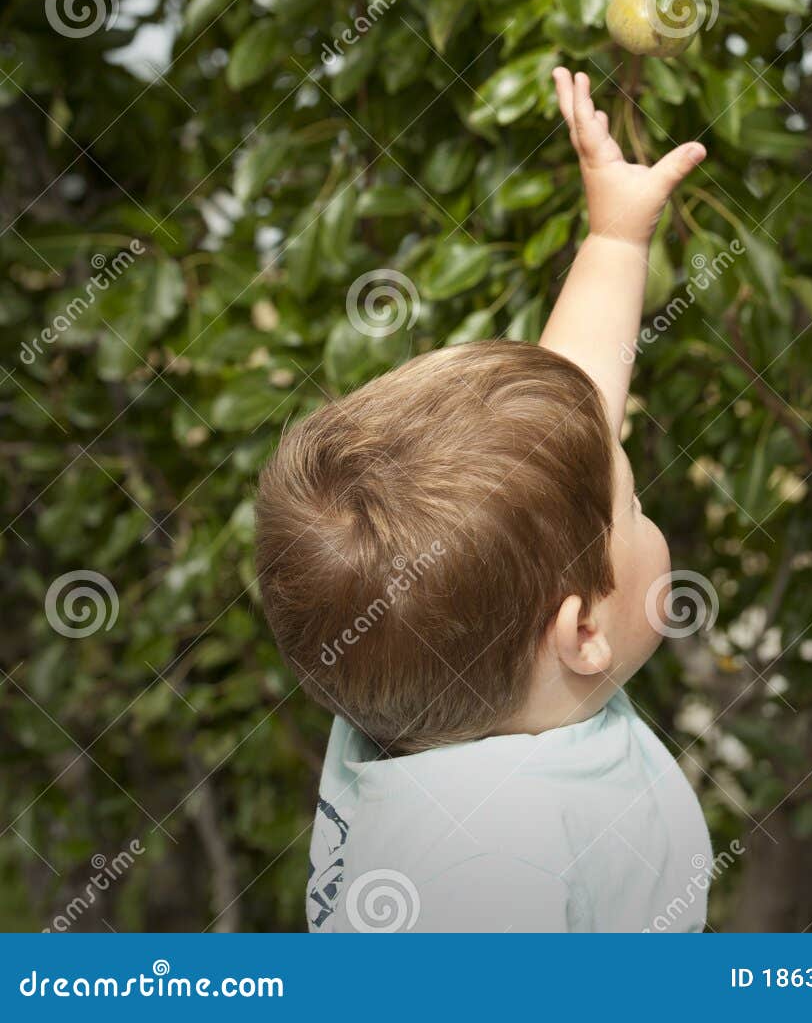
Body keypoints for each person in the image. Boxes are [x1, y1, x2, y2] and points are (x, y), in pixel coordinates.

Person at [255, 68, 712, 932]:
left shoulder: (424, 686)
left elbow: (572, 422)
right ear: (580, 632)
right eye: (636, 507)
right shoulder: (487, 873)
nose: (645, 510)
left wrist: (614, 239)